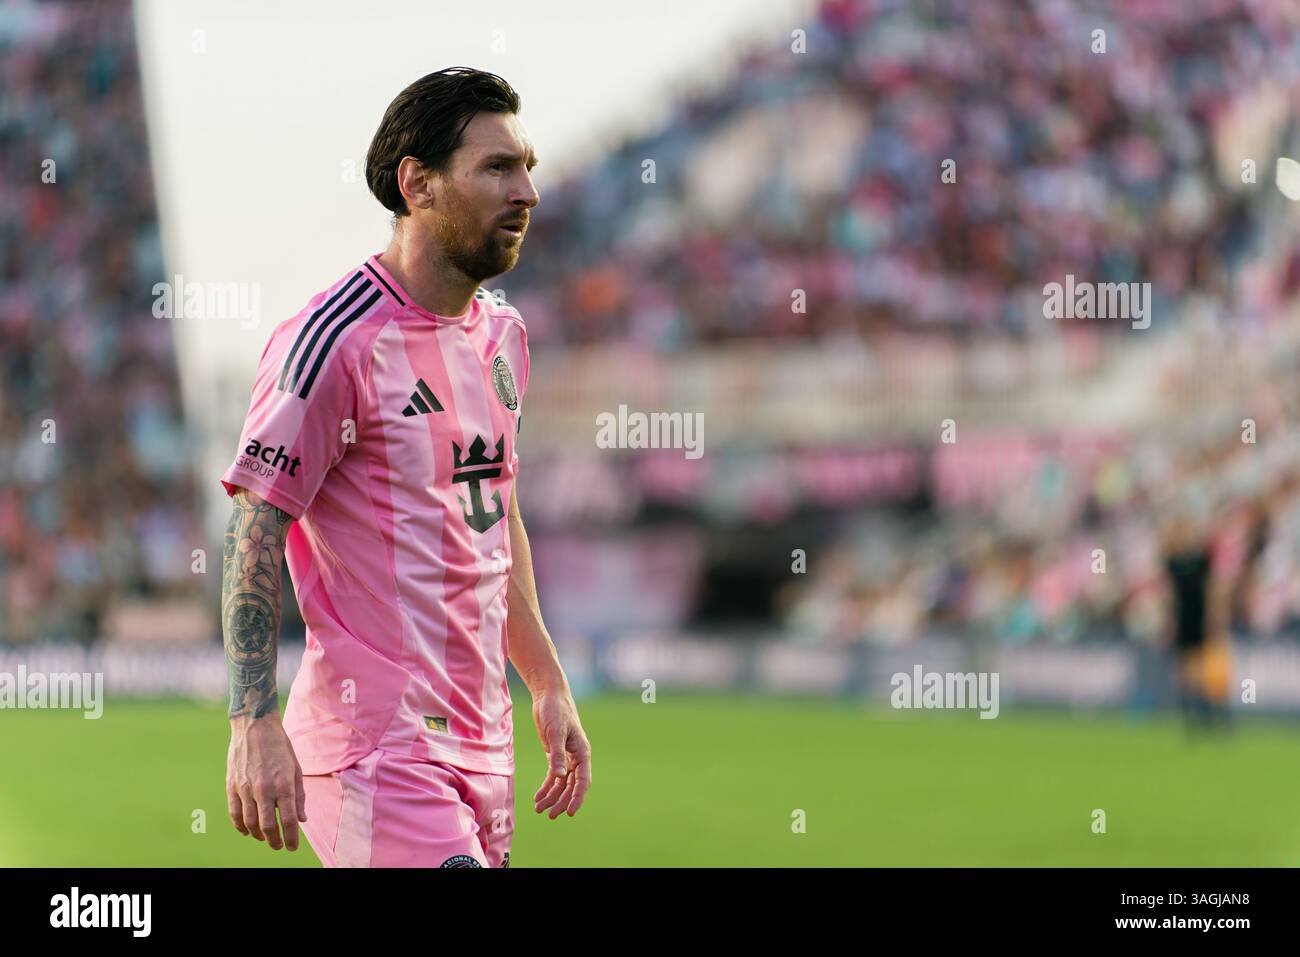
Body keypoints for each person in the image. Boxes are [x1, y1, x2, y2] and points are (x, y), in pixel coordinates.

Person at [218, 67, 591, 867]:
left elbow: (496, 513)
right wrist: (252, 719)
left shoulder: (503, 337)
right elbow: (256, 519)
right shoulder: (333, 340)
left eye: (527, 166)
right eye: (497, 167)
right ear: (416, 183)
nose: (526, 190)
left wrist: (547, 679)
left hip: (484, 749)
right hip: (378, 750)